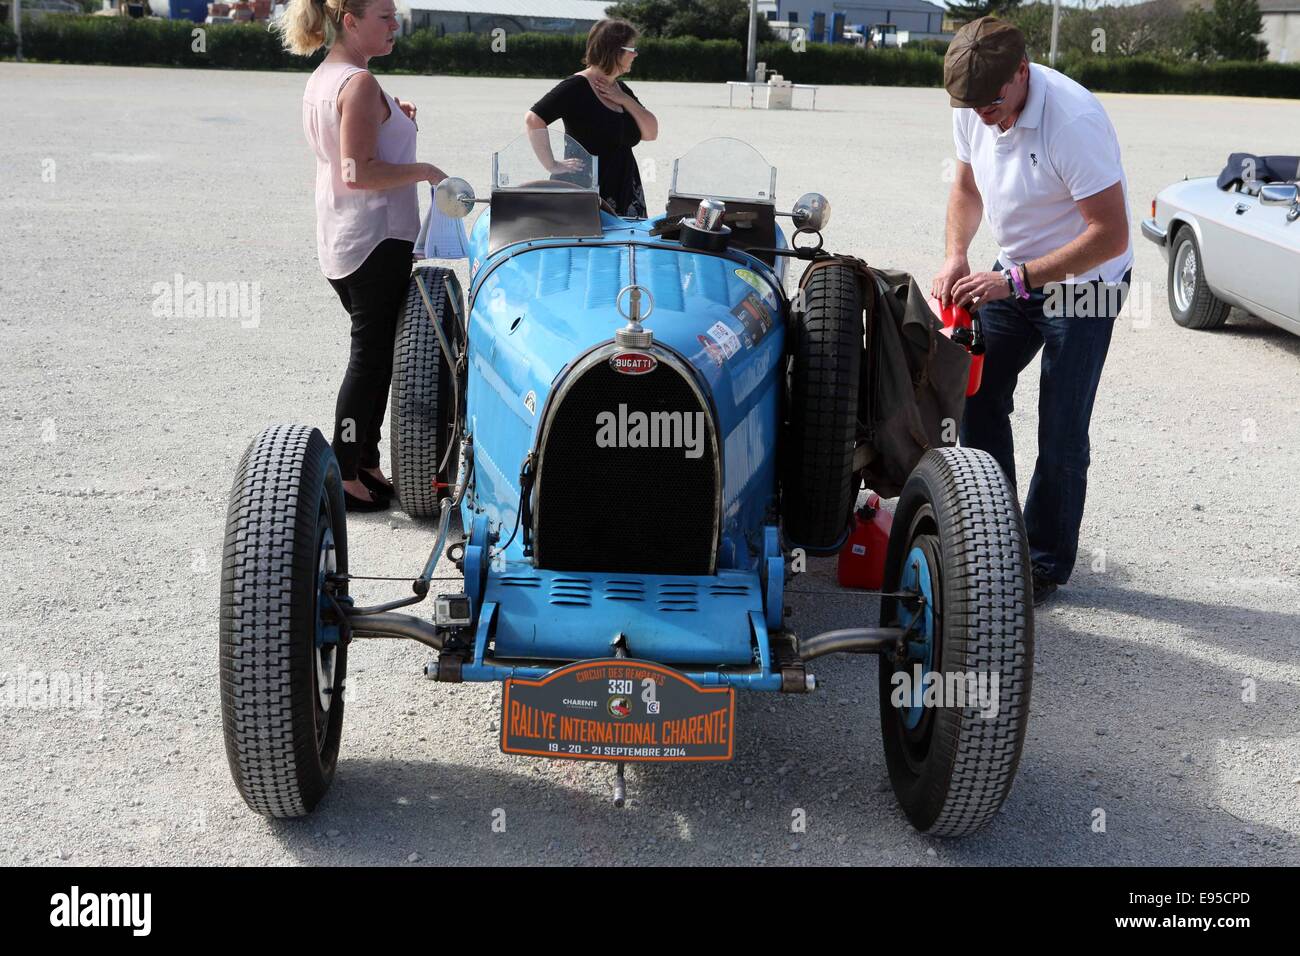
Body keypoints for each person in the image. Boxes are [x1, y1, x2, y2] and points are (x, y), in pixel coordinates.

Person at [931, 16, 1133, 606]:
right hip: (1010, 271)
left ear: (1022, 72)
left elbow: (1111, 235)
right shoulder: (975, 101)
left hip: (1084, 285)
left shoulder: (1074, 121)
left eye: (993, 105)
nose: (984, 118)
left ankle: (1043, 562)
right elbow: (966, 189)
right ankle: (996, 534)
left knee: (1061, 426)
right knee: (975, 391)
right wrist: (955, 254)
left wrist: (1015, 279)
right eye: (973, 108)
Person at [279, 0, 447, 511]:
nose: (395, 24)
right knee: (370, 359)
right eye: (384, 16)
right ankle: (345, 470)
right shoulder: (359, 83)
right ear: (350, 21)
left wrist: (397, 118)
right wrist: (424, 171)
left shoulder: (327, 77)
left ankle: (365, 463)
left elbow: (352, 141)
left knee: (376, 359)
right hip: (375, 238)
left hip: (343, 234)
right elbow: (357, 171)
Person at [524, 18, 658, 218]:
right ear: (613, 51)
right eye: (631, 49)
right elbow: (533, 119)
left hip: (625, 189)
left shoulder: (620, 88)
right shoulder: (576, 86)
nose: (636, 54)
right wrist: (551, 164)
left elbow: (651, 133)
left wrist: (624, 100)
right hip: (585, 191)